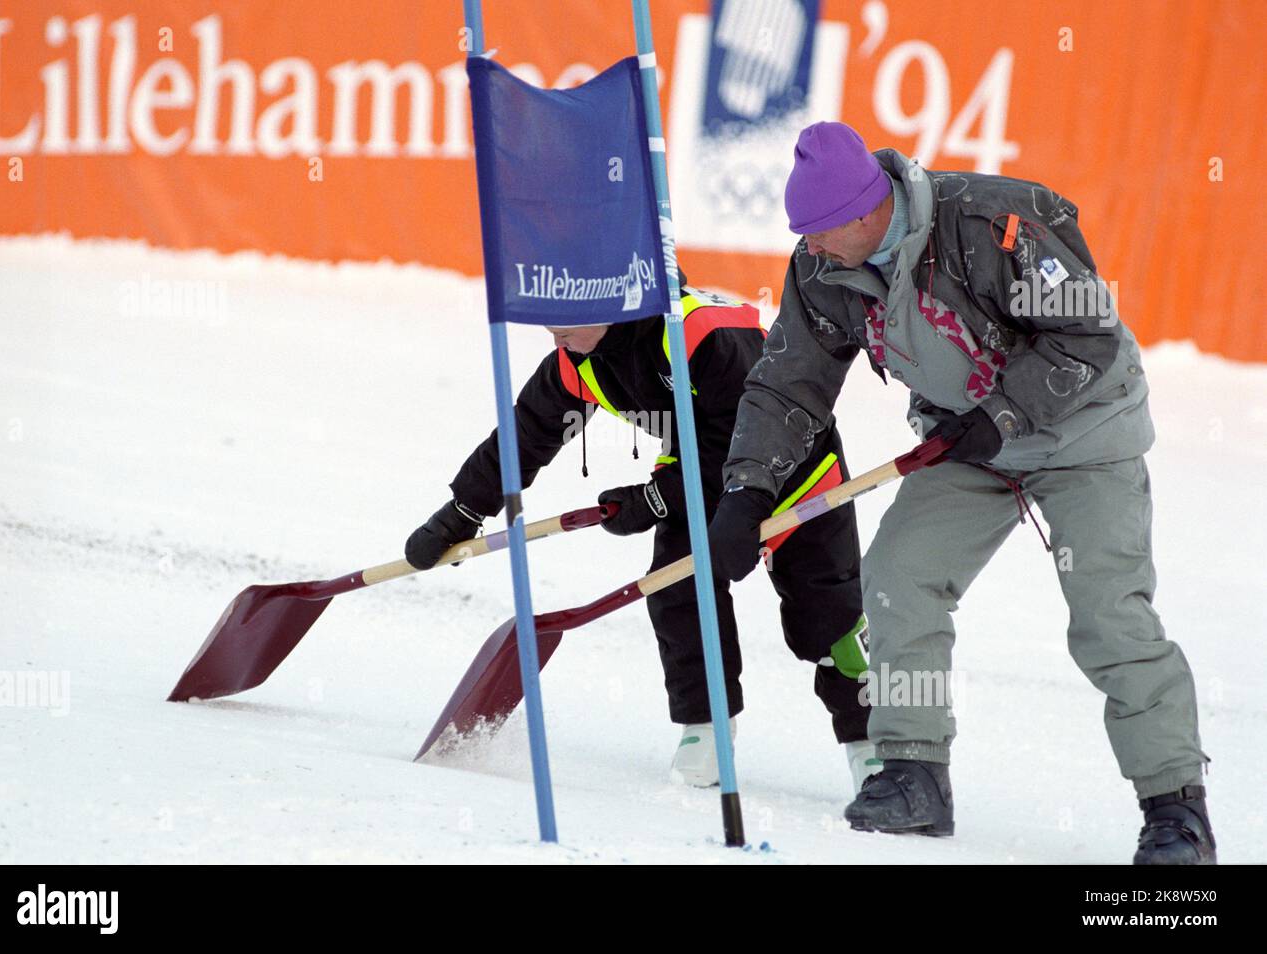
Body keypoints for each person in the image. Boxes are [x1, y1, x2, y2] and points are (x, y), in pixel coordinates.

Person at [706, 122, 1215, 864]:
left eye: (817, 232)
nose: (808, 249)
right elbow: (789, 384)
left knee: (1108, 613)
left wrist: (1004, 413)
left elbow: (1089, 337)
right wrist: (747, 493)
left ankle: (1176, 811)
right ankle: (913, 773)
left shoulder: (994, 222)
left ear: (862, 212)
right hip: (967, 442)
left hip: (1084, 434)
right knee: (898, 577)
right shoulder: (823, 269)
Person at [406, 281, 879, 789]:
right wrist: (461, 512)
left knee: (827, 618)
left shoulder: (700, 335)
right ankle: (707, 726)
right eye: (550, 324)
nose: (555, 336)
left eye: (566, 323)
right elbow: (525, 435)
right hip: (699, 476)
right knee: (677, 589)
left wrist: (654, 500)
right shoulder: (580, 358)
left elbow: (755, 429)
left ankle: (873, 744)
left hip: (797, 467)